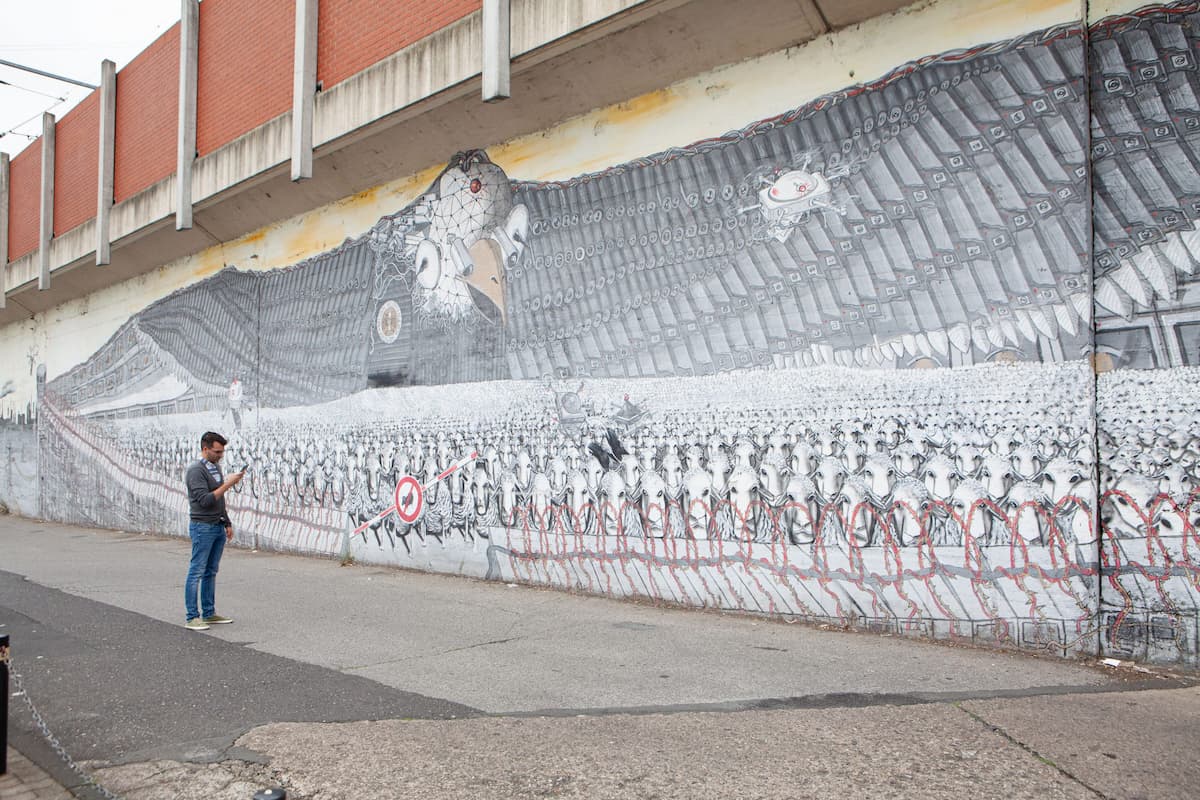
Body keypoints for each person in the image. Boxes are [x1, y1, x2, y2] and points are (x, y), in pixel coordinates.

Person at [184, 431, 244, 631]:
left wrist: (226, 522)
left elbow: (219, 500)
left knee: (211, 571)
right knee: (197, 571)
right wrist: (229, 483)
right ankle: (192, 616)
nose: (220, 455)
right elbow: (206, 500)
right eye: (217, 452)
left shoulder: (215, 468)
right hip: (202, 526)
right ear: (205, 449)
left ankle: (209, 613)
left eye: (222, 452)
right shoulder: (195, 471)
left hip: (216, 525)